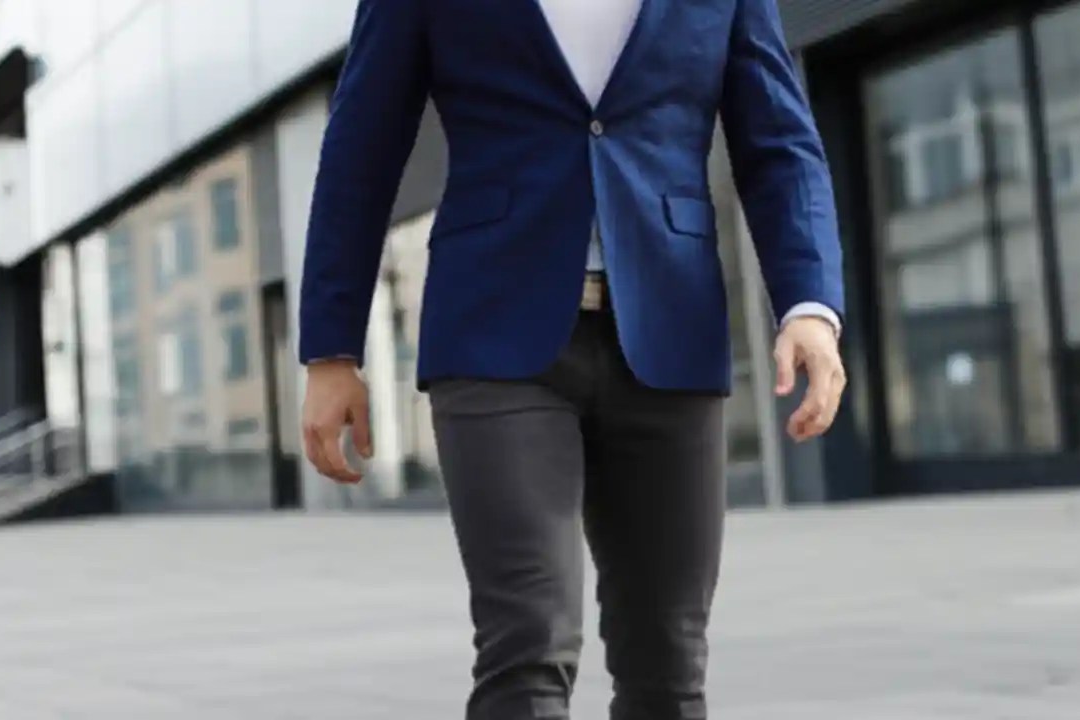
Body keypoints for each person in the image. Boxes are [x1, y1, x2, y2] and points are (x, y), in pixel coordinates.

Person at [298, 0, 846, 717]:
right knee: (528, 642)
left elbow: (780, 140)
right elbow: (359, 149)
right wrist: (331, 350)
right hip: (494, 333)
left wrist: (809, 305)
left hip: (669, 329)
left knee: (668, 660)